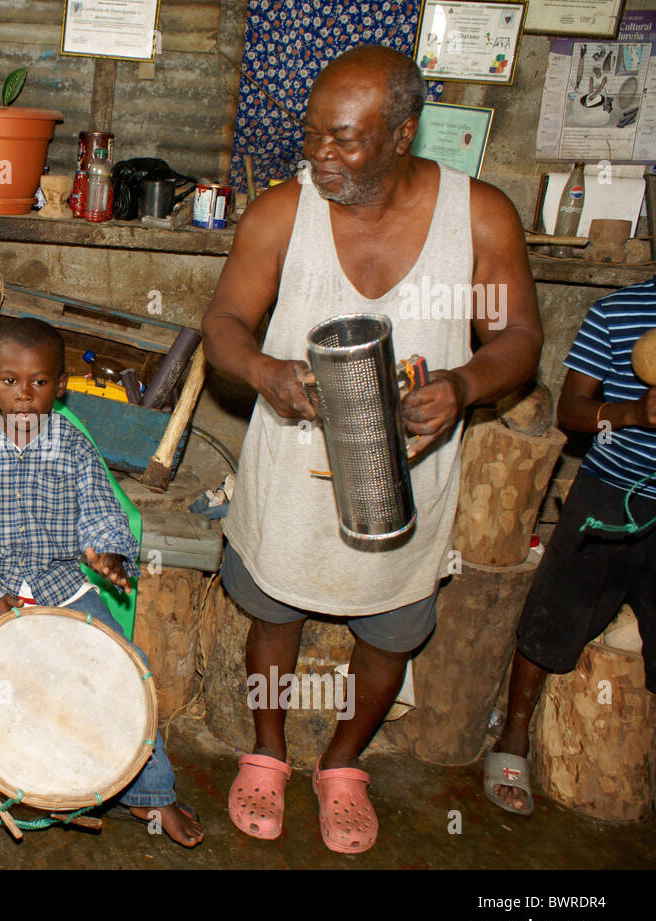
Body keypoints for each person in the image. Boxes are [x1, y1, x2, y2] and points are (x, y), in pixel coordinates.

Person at [201, 45, 542, 853]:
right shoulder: (282, 215)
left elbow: (518, 336)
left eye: (345, 139)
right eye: (313, 135)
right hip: (290, 476)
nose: (321, 155)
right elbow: (222, 327)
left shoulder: (478, 219)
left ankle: (343, 766)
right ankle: (268, 750)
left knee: (390, 632)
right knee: (273, 616)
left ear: (402, 135)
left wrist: (462, 386)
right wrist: (260, 369)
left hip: (406, 481)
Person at [0, 317, 205, 868]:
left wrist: (107, 549)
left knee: (122, 668)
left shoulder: (74, 445)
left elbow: (104, 510)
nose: (23, 395)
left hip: (58, 580)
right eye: (10, 380)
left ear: (61, 386)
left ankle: (149, 794)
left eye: (38, 383)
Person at [486, 283, 656, 815]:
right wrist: (631, 414)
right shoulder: (619, 311)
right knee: (551, 623)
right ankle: (515, 736)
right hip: (609, 494)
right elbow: (573, 411)